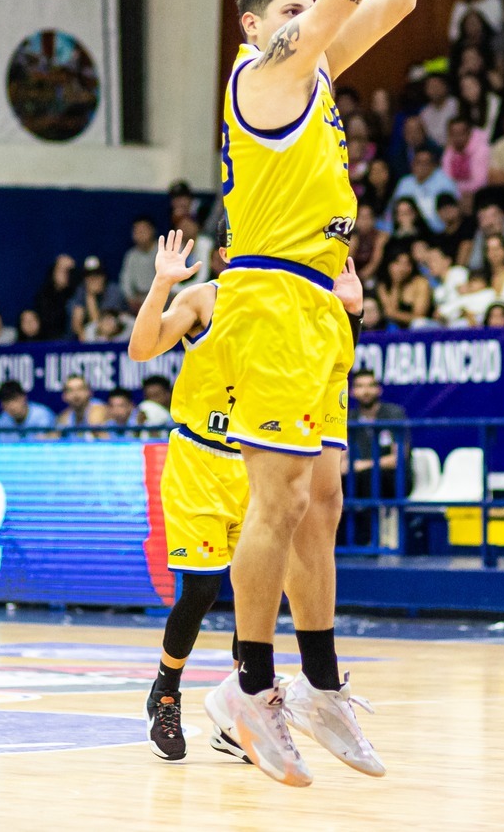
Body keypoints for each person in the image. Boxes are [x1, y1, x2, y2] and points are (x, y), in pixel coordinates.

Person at [206, 0, 483, 786]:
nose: (306, 21)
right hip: (269, 302)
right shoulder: (263, 74)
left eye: (302, 14)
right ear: (253, 28)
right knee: (275, 502)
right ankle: (246, 687)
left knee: (320, 500)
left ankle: (319, 685)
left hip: (320, 302)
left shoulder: (313, 77)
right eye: (288, 12)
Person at [128, 228, 363, 763]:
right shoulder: (203, 299)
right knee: (203, 588)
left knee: (260, 589)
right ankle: (166, 689)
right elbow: (141, 348)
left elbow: (330, 378)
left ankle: (244, 710)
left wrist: (352, 318)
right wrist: (162, 283)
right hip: (199, 460)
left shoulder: (295, 312)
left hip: (258, 463)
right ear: (230, 254)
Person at [346, 367, 409, 547]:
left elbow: (398, 458)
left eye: (370, 386)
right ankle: (339, 543)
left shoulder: (393, 414)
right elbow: (342, 458)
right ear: (352, 391)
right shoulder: (350, 418)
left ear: (379, 389)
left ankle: (369, 541)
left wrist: (363, 465)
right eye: (360, 386)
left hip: (396, 478)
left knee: (367, 477)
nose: (365, 391)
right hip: (360, 476)